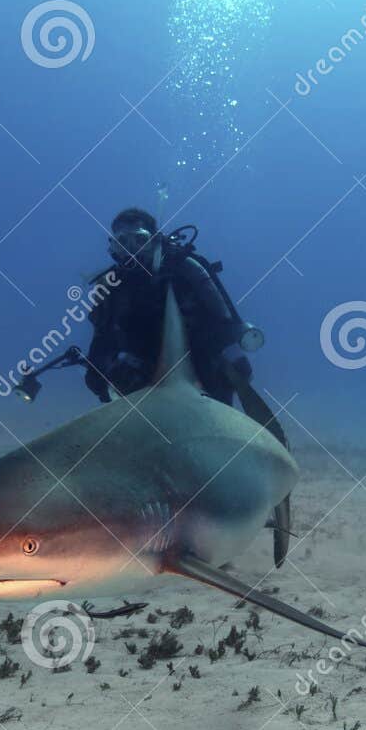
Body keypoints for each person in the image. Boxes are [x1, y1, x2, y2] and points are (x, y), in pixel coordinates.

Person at [83, 207, 292, 564]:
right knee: (149, 452)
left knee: (218, 451)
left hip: (203, 366)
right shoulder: (111, 288)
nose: (132, 248)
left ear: (156, 239)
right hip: (147, 380)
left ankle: (228, 516)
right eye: (123, 241)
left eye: (140, 239)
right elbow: (102, 342)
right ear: (112, 246)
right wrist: (99, 372)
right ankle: (164, 523)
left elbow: (227, 321)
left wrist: (230, 365)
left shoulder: (185, 270)